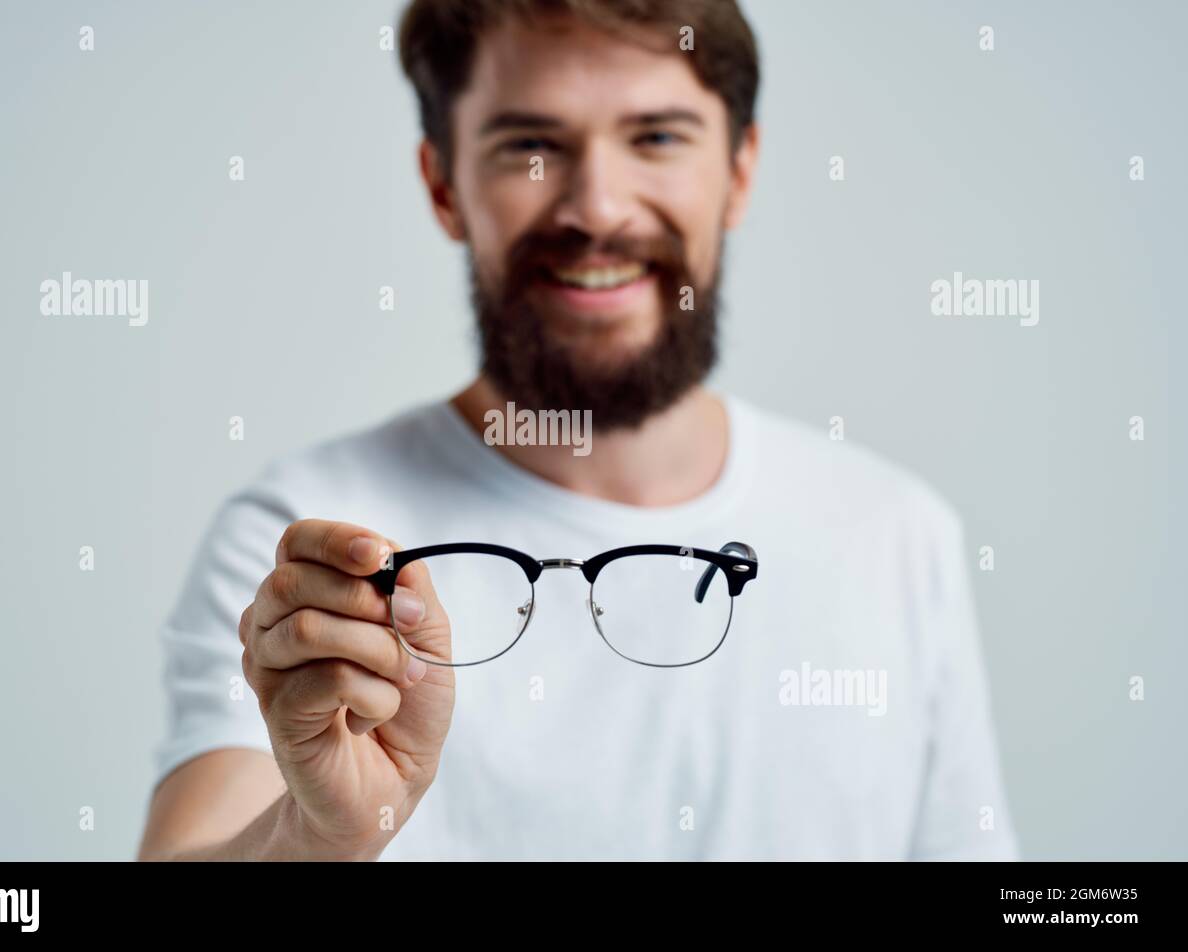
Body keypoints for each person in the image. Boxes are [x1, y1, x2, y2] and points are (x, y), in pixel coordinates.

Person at [138, 0, 1018, 861]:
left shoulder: (898, 537)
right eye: (531, 146)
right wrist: (320, 837)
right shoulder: (307, 539)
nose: (597, 208)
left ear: (741, 170)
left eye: (657, 138)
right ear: (444, 186)